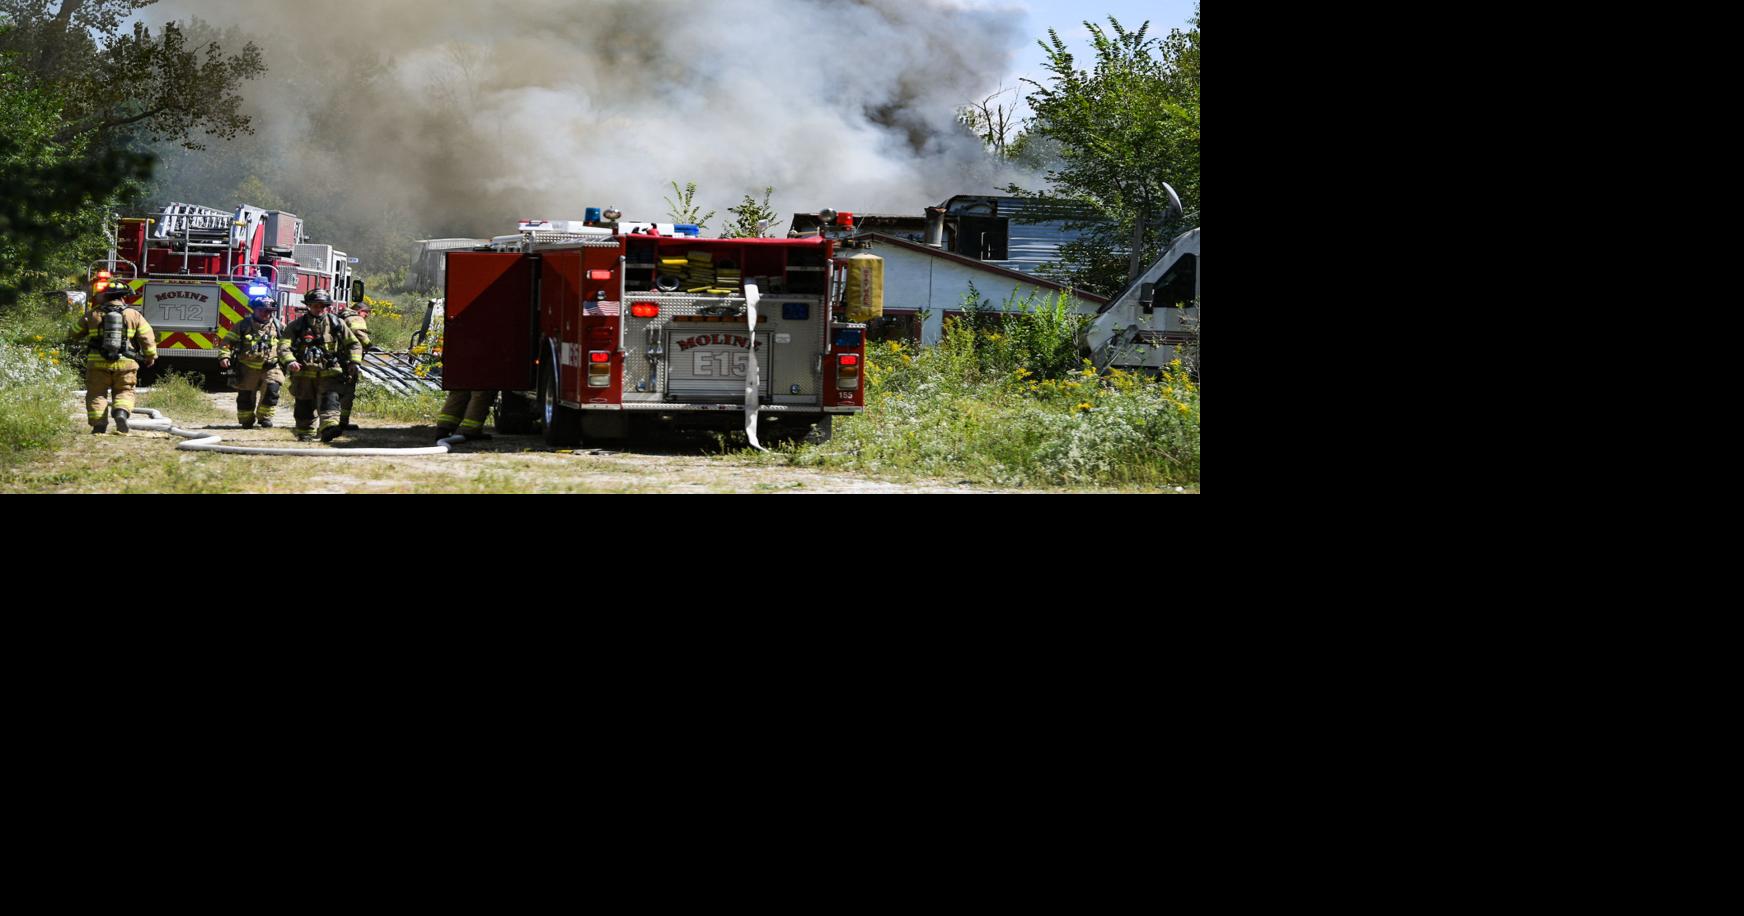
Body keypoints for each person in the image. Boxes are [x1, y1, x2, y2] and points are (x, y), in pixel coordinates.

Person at [67, 286, 157, 434]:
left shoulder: (93, 314)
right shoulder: (133, 314)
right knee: (124, 391)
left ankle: (99, 426)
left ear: (106, 297)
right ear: (123, 298)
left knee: (96, 394)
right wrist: (150, 356)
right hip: (126, 363)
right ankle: (121, 413)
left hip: (97, 363)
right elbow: (147, 337)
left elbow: (73, 333)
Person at [277, 289, 362, 442]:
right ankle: (305, 432)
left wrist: (354, 361)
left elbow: (354, 344)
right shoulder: (296, 326)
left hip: (329, 372)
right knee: (304, 404)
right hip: (304, 373)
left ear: (327, 306)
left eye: (322, 306)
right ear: (308, 306)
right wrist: (290, 361)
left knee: (330, 400)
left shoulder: (337, 324)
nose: (319, 309)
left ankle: (329, 429)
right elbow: (283, 346)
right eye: (315, 305)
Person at [217, 296, 285, 429]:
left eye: (269, 311)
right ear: (254, 310)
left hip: (271, 366)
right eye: (262, 310)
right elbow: (227, 343)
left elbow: (288, 344)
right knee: (245, 396)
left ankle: (265, 418)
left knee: (272, 390)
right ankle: (246, 419)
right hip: (247, 368)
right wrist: (224, 357)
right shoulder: (243, 325)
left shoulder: (279, 326)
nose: (266, 313)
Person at [332, 297, 372, 431]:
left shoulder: (340, 316)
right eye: (366, 314)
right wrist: (369, 345)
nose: (366, 317)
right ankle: (343, 422)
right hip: (348, 359)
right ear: (361, 311)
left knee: (333, 390)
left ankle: (329, 420)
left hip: (335, 359)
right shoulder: (356, 318)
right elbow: (358, 334)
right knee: (348, 392)